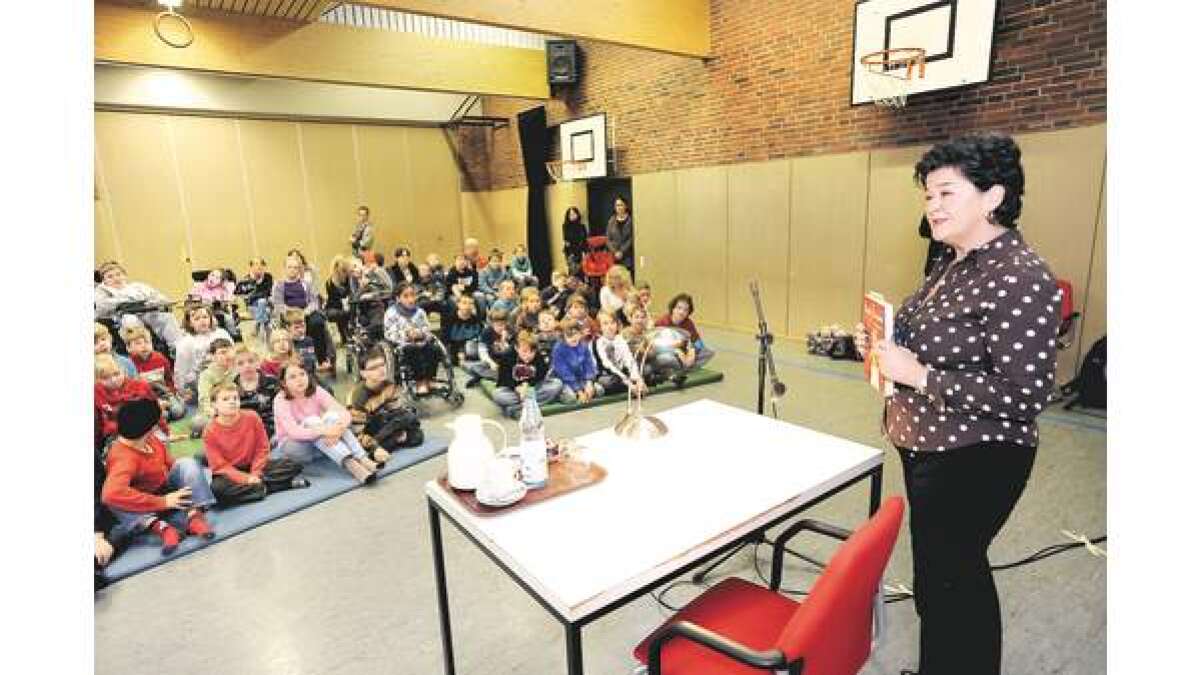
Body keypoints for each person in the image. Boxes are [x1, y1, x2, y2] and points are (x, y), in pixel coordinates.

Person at [854, 132, 1060, 675]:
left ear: (993, 197)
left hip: (975, 456)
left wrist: (917, 373)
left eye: (946, 193)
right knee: (939, 583)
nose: (933, 206)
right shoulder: (952, 263)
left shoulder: (1020, 276)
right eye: (928, 196)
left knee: (954, 585)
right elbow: (931, 350)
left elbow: (1026, 395)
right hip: (928, 448)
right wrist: (882, 347)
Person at [101, 399, 216, 555]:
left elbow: (171, 464)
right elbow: (110, 495)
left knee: (187, 463)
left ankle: (195, 517)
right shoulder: (123, 458)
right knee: (114, 501)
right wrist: (163, 502)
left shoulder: (151, 439)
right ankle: (163, 529)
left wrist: (185, 485)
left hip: (163, 488)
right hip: (143, 503)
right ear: (149, 427)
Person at [273, 362, 379, 484]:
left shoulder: (316, 390)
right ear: (283, 383)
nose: (299, 379)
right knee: (312, 420)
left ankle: (363, 458)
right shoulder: (280, 400)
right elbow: (294, 432)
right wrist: (325, 431)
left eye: (302, 374)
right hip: (297, 448)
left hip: (323, 442)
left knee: (333, 416)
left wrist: (338, 430)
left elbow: (343, 413)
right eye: (292, 377)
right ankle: (353, 465)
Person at [203, 383, 307, 506]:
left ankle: (257, 489)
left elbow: (262, 448)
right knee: (218, 490)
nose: (232, 402)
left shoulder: (252, 417)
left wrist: (255, 473)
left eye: (235, 398)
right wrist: (246, 479)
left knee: (293, 464)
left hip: (255, 465)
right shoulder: (210, 431)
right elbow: (220, 466)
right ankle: (276, 487)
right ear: (214, 404)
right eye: (225, 399)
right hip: (230, 473)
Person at [346, 346, 424, 466]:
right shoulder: (358, 398)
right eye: (373, 368)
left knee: (417, 435)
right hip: (368, 431)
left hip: (386, 424)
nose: (381, 370)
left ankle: (389, 443)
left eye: (382, 365)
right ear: (363, 373)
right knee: (409, 417)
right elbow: (357, 434)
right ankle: (379, 448)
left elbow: (397, 412)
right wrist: (374, 446)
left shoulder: (389, 385)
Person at [94, 261, 185, 349]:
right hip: (124, 317)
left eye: (119, 274)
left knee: (166, 317)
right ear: (104, 281)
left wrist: (154, 301)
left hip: (147, 312)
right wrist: (129, 300)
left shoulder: (137, 286)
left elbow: (160, 298)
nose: (116, 278)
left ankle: (177, 349)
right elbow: (102, 306)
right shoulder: (102, 291)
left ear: (125, 276)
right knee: (131, 321)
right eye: (110, 277)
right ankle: (143, 351)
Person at [272, 254, 333, 372]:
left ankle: (321, 359)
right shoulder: (279, 285)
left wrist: (305, 312)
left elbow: (314, 302)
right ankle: (290, 359)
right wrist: (291, 312)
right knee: (291, 329)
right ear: (284, 268)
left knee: (318, 322)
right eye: (290, 267)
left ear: (299, 269)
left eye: (295, 267)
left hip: (306, 313)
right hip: (288, 315)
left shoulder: (306, 284)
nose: (293, 270)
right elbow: (278, 304)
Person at [95, 354, 168, 442]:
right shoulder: (97, 393)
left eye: (116, 374)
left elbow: (155, 411)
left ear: (123, 371)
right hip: (118, 434)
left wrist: (165, 430)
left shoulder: (140, 386)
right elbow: (100, 423)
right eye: (105, 378)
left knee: (158, 443)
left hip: (146, 429)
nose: (113, 380)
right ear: (97, 379)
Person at [492, 330, 564, 419]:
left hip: (532, 388)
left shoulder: (537, 355)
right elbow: (504, 379)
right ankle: (535, 403)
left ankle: (518, 407)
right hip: (514, 390)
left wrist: (527, 385)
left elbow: (541, 373)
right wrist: (517, 388)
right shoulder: (507, 355)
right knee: (498, 395)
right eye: (524, 351)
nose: (528, 355)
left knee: (557, 383)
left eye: (532, 352)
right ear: (516, 348)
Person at [383, 283, 439, 395]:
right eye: (406, 296)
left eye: (413, 295)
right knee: (413, 349)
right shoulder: (391, 313)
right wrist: (406, 335)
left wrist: (421, 334)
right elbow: (389, 333)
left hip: (421, 340)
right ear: (398, 298)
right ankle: (420, 381)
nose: (411, 299)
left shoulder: (420, 312)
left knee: (435, 348)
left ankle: (430, 378)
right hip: (402, 344)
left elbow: (427, 328)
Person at [122, 325, 185, 422]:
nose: (144, 346)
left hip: (165, 394)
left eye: (147, 342)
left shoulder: (160, 358)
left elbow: (169, 378)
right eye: (138, 343)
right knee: (163, 416)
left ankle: (177, 404)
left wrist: (172, 393)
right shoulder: (129, 364)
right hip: (147, 399)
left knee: (178, 411)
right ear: (129, 348)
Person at [173, 304, 232, 404]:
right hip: (200, 377)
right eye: (197, 319)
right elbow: (181, 369)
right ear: (190, 323)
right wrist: (181, 390)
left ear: (210, 318)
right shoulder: (185, 343)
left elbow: (232, 355)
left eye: (205, 317)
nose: (202, 321)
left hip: (224, 372)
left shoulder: (222, 333)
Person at [653, 293, 715, 385]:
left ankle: (684, 366)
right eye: (679, 308)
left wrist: (692, 352)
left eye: (685, 310)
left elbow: (697, 341)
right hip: (669, 352)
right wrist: (676, 351)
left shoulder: (688, 323)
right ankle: (681, 367)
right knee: (665, 359)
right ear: (673, 308)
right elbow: (656, 345)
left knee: (708, 352)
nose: (681, 312)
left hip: (685, 353)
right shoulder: (662, 322)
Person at [592, 309, 646, 397]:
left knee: (641, 372)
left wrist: (638, 379)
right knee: (609, 382)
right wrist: (628, 383)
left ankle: (636, 386)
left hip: (622, 373)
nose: (610, 326)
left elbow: (629, 360)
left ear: (617, 324)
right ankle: (629, 388)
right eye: (605, 324)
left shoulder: (620, 340)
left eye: (612, 323)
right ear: (600, 327)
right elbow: (607, 366)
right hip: (606, 375)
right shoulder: (597, 343)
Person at [232, 344, 280, 439]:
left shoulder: (273, 382)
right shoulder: (231, 388)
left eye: (251, 361)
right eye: (240, 363)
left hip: (272, 429)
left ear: (258, 362)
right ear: (234, 367)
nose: (247, 366)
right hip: (242, 432)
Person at [551, 320, 603, 404]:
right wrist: (579, 391)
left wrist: (589, 383)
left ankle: (584, 391)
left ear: (580, 333)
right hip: (565, 381)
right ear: (563, 336)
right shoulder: (558, 349)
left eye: (576, 334)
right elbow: (564, 373)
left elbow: (589, 365)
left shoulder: (583, 345)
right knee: (571, 398)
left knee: (600, 390)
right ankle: (559, 394)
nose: (573, 338)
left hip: (580, 379)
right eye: (569, 335)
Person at [465, 307, 513, 387]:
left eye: (504, 324)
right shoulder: (487, 332)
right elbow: (483, 352)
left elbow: (513, 352)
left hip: (506, 361)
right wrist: (491, 363)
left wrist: (504, 341)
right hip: (491, 360)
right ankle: (498, 377)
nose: (502, 327)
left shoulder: (510, 330)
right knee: (474, 367)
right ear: (492, 324)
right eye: (499, 325)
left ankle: (483, 376)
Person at [188, 268, 241, 339]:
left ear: (221, 281)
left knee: (227, 318)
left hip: (216, 310)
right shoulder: (198, 286)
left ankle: (233, 334)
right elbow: (191, 299)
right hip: (200, 310)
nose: (213, 278)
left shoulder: (222, 289)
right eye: (212, 275)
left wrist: (225, 288)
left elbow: (228, 299)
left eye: (217, 278)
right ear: (208, 276)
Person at [235, 257, 273, 340]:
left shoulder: (268, 277)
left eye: (261, 265)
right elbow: (240, 295)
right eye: (255, 264)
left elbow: (267, 292)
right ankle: (266, 327)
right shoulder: (246, 280)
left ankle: (257, 324)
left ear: (264, 267)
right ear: (251, 267)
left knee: (262, 302)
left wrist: (254, 295)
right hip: (252, 305)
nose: (258, 267)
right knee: (265, 310)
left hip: (267, 302)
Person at [441, 294, 483, 366]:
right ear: (458, 304)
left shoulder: (476, 320)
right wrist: (459, 352)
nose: (467, 306)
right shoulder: (449, 319)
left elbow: (479, 338)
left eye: (470, 303)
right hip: (454, 349)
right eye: (464, 303)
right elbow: (445, 340)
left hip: (470, 348)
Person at [323, 255, 353, 349]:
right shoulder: (329, 282)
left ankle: (347, 337)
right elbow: (334, 299)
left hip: (347, 304)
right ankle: (345, 338)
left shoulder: (349, 279)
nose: (343, 273)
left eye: (344, 270)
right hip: (333, 307)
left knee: (347, 313)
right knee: (341, 314)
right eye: (341, 270)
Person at [606, 195, 634, 280]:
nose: (619, 207)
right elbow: (608, 238)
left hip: (627, 255)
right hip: (614, 256)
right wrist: (615, 252)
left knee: (626, 279)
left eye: (621, 205)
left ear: (625, 206)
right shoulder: (611, 220)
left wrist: (622, 251)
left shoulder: (631, 220)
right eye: (617, 205)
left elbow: (631, 238)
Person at [561, 206, 587, 277]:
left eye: (574, 214)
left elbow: (584, 240)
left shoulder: (582, 227)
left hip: (581, 252)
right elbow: (567, 240)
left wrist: (584, 252)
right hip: (571, 253)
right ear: (568, 216)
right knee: (573, 273)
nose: (572, 216)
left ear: (577, 214)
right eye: (570, 214)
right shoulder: (565, 227)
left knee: (582, 272)